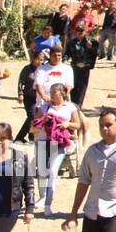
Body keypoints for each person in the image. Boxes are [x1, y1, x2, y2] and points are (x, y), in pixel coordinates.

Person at [32, 84, 82, 216]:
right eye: (51, 92)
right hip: (43, 141)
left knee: (53, 172)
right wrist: (44, 121)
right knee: (42, 172)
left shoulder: (70, 107)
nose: (52, 95)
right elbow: (34, 122)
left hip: (59, 143)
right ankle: (42, 196)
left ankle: (48, 203)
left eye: (54, 92)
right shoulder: (44, 107)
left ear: (63, 93)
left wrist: (67, 124)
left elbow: (78, 124)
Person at [14, 49, 49, 142]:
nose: (39, 62)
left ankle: (31, 136)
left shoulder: (43, 70)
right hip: (28, 96)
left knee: (36, 117)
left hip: (39, 97)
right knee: (31, 116)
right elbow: (21, 82)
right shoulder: (27, 69)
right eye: (37, 59)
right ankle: (20, 136)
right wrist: (20, 94)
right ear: (33, 59)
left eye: (41, 60)